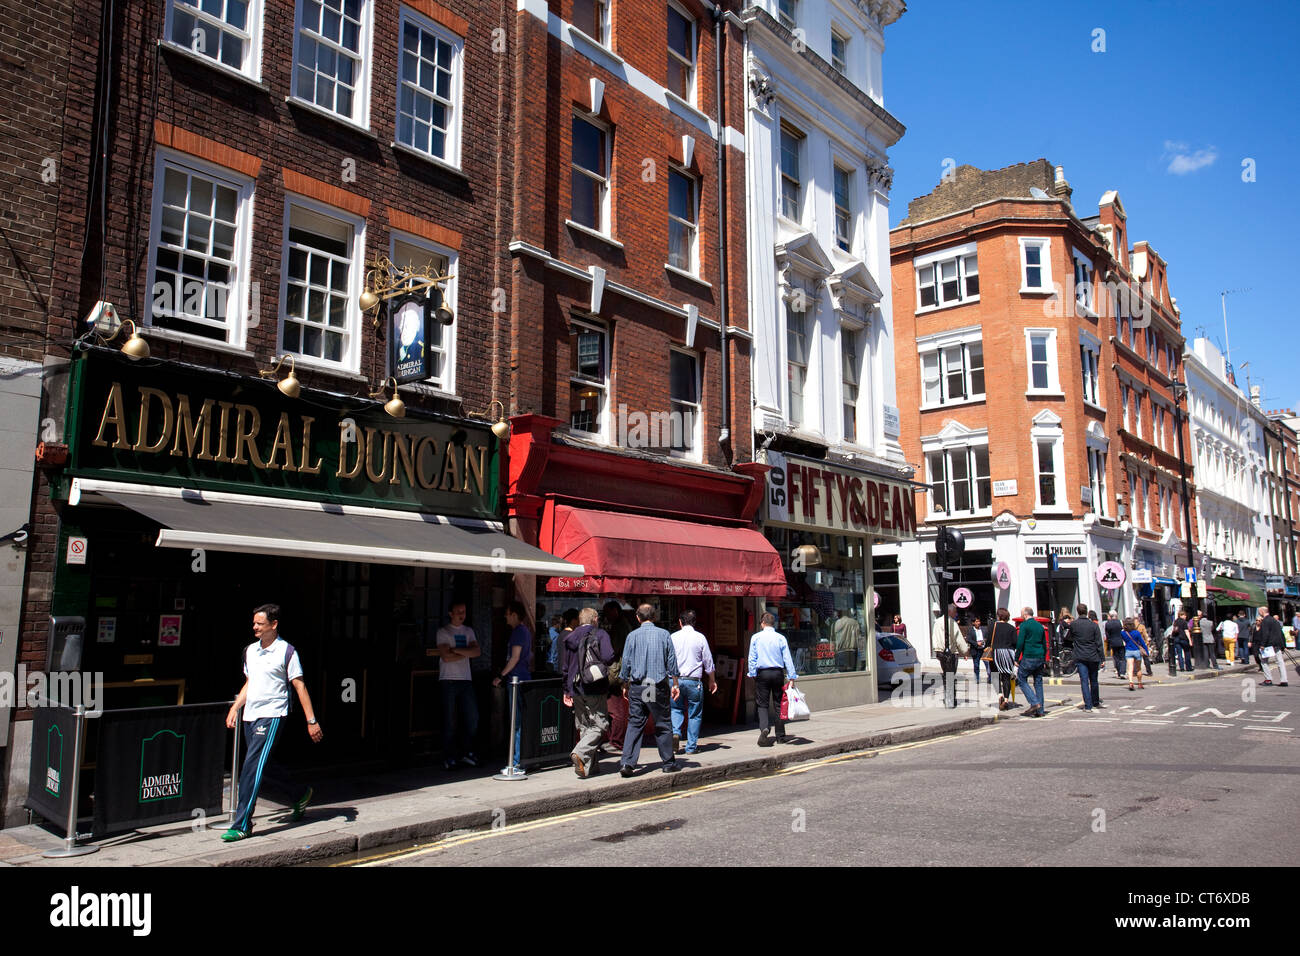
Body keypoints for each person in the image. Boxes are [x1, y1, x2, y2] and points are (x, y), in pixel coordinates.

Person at [223, 604, 322, 842]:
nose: (254, 627)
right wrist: (236, 707)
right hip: (251, 715)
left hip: (273, 714)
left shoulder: (287, 652)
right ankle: (299, 795)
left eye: (259, 623)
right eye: (254, 623)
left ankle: (242, 824)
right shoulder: (250, 651)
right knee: (262, 766)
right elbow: (250, 683)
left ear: (274, 625)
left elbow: (299, 686)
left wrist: (312, 721)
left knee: (250, 768)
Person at [619, 604, 681, 776]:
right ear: (654, 617)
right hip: (656, 685)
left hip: (639, 686)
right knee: (662, 723)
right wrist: (675, 683)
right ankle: (668, 762)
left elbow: (626, 662)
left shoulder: (632, 636)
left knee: (635, 723)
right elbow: (672, 661)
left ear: (638, 618)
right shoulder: (664, 634)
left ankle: (627, 763)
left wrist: (624, 683)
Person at [562, 607, 615, 778]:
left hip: (575, 687)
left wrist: (566, 690)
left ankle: (589, 767)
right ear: (595, 619)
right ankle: (580, 753)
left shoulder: (570, 637)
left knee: (585, 726)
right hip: (595, 686)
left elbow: (565, 667)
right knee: (600, 725)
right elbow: (608, 657)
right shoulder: (600, 635)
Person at [436, 601, 482, 769]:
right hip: (448, 679)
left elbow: (477, 652)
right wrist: (465, 652)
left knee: (472, 717)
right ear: (450, 613)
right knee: (449, 720)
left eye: (463, 611)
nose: (461, 614)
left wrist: (455, 650)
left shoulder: (469, 631)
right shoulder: (443, 632)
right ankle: (449, 756)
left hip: (465, 679)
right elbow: (445, 657)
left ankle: (467, 752)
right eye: (458, 611)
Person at [493, 600, 533, 771]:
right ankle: (519, 758)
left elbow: (515, 657)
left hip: (516, 679)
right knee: (519, 720)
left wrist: (500, 675)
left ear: (514, 615)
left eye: (507, 613)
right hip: (523, 677)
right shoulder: (525, 632)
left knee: (516, 722)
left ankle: (516, 761)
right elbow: (528, 655)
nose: (505, 616)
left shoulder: (518, 632)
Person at [670, 609, 717, 755]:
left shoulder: (672, 637)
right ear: (694, 622)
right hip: (693, 681)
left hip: (675, 680)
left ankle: (676, 732)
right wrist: (712, 680)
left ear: (680, 622)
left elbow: (668, 659)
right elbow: (708, 661)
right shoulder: (700, 637)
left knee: (675, 709)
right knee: (694, 713)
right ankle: (691, 747)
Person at [748, 611, 798, 746]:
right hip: (777, 673)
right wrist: (792, 677)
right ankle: (780, 736)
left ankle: (764, 728)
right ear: (773, 623)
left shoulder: (756, 638)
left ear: (763, 623)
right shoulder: (780, 638)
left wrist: (752, 674)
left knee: (762, 704)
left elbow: (752, 658)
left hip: (762, 673)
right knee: (778, 704)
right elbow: (787, 657)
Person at [602, 601, 631, 753]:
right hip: (618, 671)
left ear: (615, 611)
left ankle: (616, 742)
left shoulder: (620, 627)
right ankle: (614, 740)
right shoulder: (622, 625)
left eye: (607, 612)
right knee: (614, 708)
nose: (606, 616)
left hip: (615, 671)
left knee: (615, 708)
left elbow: (613, 650)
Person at [1068, 603, 1105, 713]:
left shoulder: (1074, 625)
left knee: (1084, 681)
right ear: (1086, 611)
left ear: (1078, 612)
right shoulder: (1093, 625)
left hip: (1080, 656)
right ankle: (1096, 701)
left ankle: (1088, 706)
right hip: (1093, 656)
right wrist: (1102, 658)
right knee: (1094, 680)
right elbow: (1099, 643)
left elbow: (1069, 637)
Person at [931, 603, 968, 709]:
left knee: (946, 674)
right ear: (950, 612)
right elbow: (958, 639)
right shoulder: (952, 623)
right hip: (950, 653)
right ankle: (951, 698)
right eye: (955, 611)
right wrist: (965, 651)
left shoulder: (937, 622)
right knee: (951, 675)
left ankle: (948, 697)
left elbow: (934, 636)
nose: (956, 614)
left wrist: (936, 649)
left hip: (940, 652)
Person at [1015, 608, 1047, 718]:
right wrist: (1044, 659)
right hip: (1039, 656)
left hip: (1029, 656)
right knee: (1038, 682)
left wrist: (1016, 658)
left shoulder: (1024, 625)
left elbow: (1020, 643)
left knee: (1021, 678)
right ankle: (1041, 710)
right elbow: (1044, 643)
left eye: (1021, 613)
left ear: (1025, 614)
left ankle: (1034, 702)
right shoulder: (1039, 626)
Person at [991, 608, 1020, 711]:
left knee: (994, 675)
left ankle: (999, 695)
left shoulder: (993, 627)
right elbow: (1015, 643)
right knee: (1006, 676)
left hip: (995, 653)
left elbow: (988, 642)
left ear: (998, 616)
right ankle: (1006, 700)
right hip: (1008, 653)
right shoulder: (1011, 628)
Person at [1254, 607, 1290, 687]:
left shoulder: (1265, 621)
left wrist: (1262, 644)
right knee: (1280, 662)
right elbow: (1281, 633)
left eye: (1259, 611)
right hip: (1277, 644)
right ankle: (1284, 681)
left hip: (1269, 645)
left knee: (1263, 661)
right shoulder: (1275, 621)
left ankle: (1268, 680)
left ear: (1262, 611)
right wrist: (1284, 645)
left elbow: (1265, 634)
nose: (1259, 613)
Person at [1122, 617, 1151, 691]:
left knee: (1130, 668)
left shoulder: (1123, 633)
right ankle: (1140, 683)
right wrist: (1146, 652)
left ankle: (1131, 682)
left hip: (1128, 651)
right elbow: (1142, 643)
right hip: (1137, 651)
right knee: (1138, 668)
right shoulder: (1137, 633)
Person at [833, 607, 862, 672]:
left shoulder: (837, 623)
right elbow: (859, 638)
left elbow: (834, 638)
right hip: (852, 651)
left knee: (842, 674)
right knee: (852, 673)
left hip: (840, 651)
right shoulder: (854, 622)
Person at [967, 616, 991, 685]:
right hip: (976, 649)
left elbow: (988, 637)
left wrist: (985, 642)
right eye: (977, 621)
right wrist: (976, 643)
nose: (978, 623)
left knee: (988, 664)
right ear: (973, 623)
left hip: (984, 649)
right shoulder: (970, 630)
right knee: (976, 665)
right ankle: (977, 678)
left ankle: (990, 677)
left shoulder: (984, 629)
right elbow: (969, 639)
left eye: (979, 621)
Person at [1104, 611, 1125, 678]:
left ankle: (1119, 672)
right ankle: (1123, 672)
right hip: (1121, 641)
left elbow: (1107, 635)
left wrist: (1109, 642)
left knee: (1116, 657)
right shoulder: (1120, 622)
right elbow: (1123, 631)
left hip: (1113, 642)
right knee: (1122, 658)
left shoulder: (1107, 624)